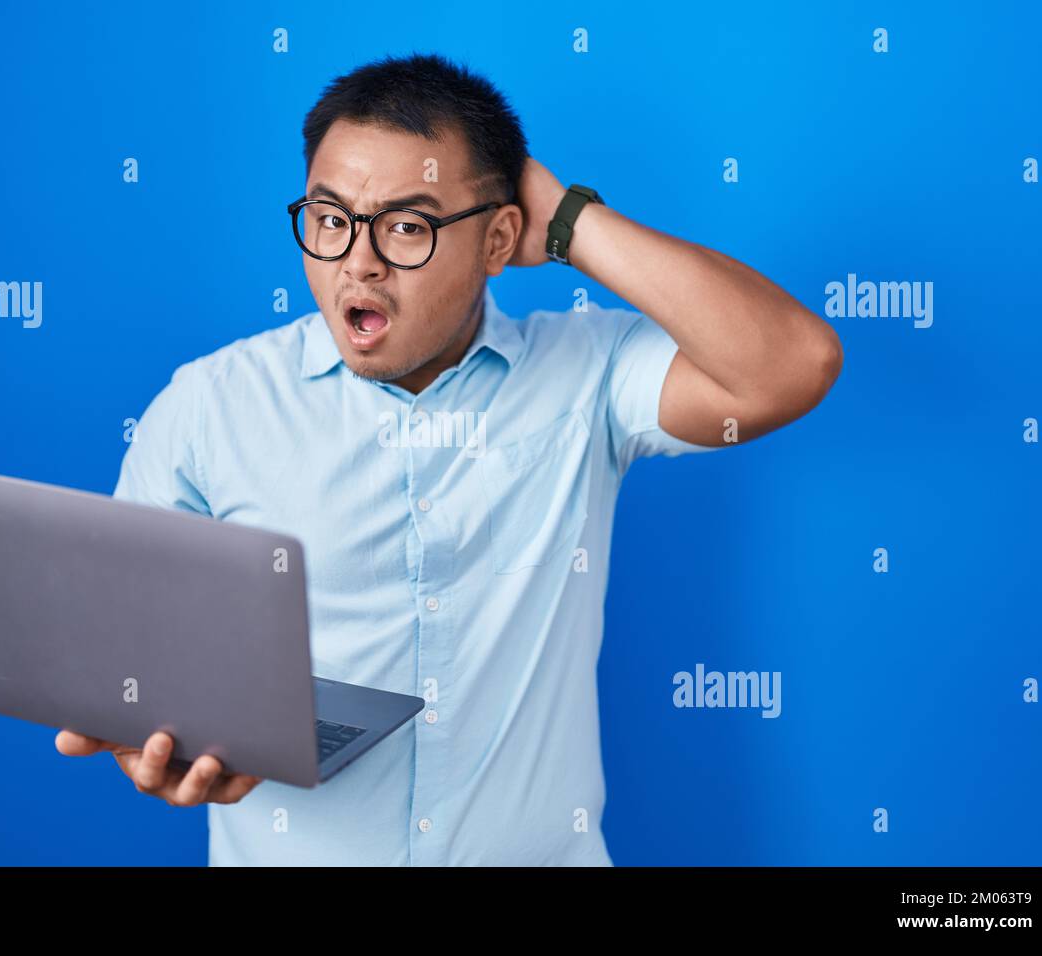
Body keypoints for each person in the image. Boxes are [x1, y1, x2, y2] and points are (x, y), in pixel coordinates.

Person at [56, 52, 842, 865]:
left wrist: (570, 220)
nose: (356, 261)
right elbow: (138, 662)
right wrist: (152, 738)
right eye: (329, 218)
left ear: (500, 238)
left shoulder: (587, 375)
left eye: (406, 226)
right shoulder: (208, 406)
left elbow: (793, 364)